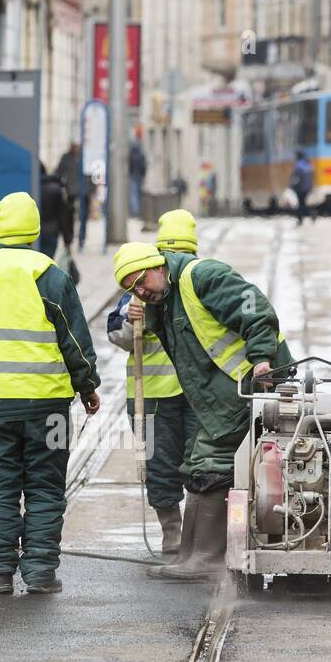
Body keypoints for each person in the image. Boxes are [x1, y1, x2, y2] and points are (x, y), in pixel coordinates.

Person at [111, 240, 292, 582]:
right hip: (220, 393)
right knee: (196, 460)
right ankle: (190, 554)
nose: (140, 293)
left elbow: (257, 309)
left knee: (212, 458)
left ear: (158, 266)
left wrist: (262, 360)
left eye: (140, 283)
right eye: (131, 289)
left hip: (249, 384)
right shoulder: (165, 299)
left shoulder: (203, 276)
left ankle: (207, 558)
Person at [0, 192, 101, 596]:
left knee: (0, 481)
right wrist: (87, 386)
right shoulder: (50, 275)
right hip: (48, 405)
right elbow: (73, 339)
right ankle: (40, 572)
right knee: (45, 483)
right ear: (37, 229)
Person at [106, 209, 200, 556]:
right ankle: (171, 532)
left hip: (196, 395)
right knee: (159, 464)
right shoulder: (137, 293)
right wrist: (134, 321)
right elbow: (116, 335)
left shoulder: (199, 284)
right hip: (152, 398)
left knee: (202, 463)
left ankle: (198, 532)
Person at [37, 161, 75, 261]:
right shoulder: (56, 189)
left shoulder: (31, 189)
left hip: (33, 235)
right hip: (51, 234)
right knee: (46, 266)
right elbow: (63, 216)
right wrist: (67, 239)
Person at [289, 149, 314, 225]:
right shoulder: (308, 165)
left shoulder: (298, 166)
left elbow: (296, 178)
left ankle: (301, 219)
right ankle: (310, 215)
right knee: (303, 203)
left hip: (300, 188)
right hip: (307, 188)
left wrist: (291, 186)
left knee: (300, 204)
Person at [129, 138, 148, 217]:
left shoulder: (132, 156)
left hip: (133, 177)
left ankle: (135, 212)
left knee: (133, 195)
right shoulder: (141, 155)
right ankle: (139, 212)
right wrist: (143, 175)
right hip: (140, 177)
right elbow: (144, 167)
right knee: (139, 195)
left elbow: (130, 166)